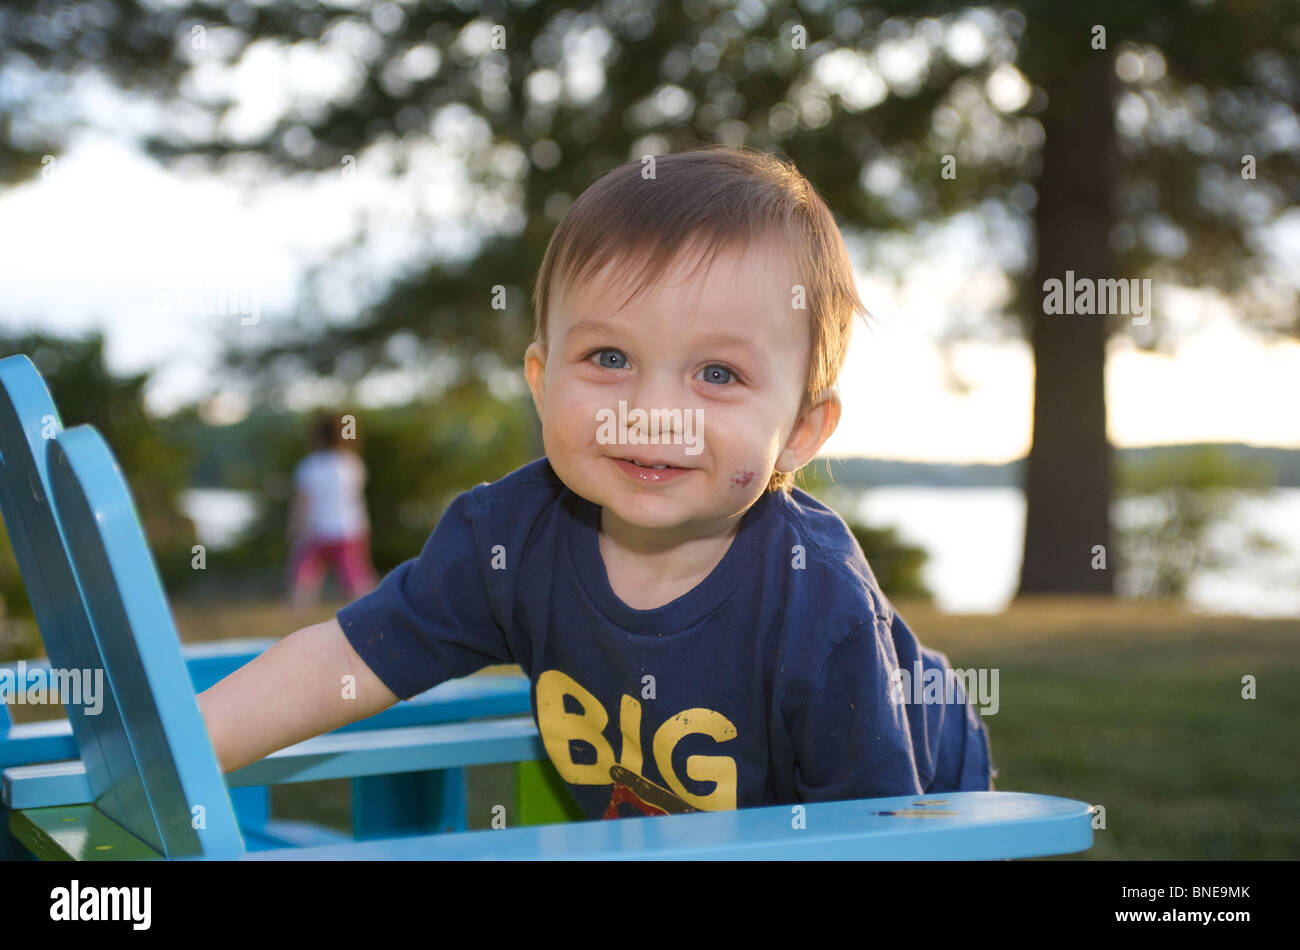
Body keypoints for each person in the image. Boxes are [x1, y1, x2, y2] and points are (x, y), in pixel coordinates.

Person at [199, 146, 994, 819]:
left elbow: (883, 830)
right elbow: (351, 657)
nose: (651, 412)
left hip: (930, 799)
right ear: (542, 382)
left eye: (717, 373)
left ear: (798, 432)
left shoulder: (814, 600)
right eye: (609, 359)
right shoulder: (508, 537)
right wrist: (183, 744)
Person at [285, 413, 378, 613]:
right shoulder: (352, 464)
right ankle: (375, 614)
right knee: (357, 581)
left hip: (317, 530)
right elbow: (357, 500)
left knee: (303, 578)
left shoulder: (310, 466)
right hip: (350, 529)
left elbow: (303, 504)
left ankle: (296, 620)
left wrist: (294, 530)